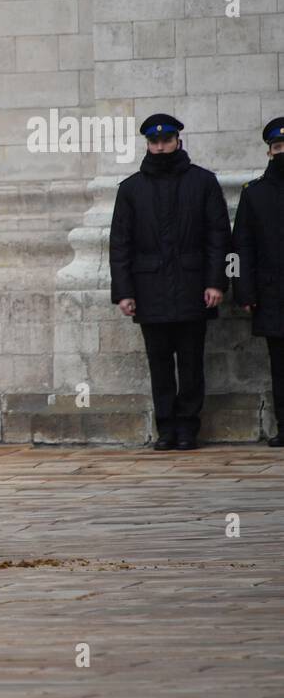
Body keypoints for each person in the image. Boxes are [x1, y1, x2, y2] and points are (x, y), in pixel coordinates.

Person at [109, 114, 230, 450]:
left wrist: (216, 283)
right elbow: (121, 243)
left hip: (193, 288)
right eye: (154, 142)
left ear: (178, 140)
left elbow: (218, 237)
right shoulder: (131, 189)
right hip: (150, 291)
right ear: (147, 144)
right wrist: (124, 292)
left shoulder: (203, 182)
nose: (160, 147)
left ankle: (188, 428)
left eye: (166, 141)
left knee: (191, 362)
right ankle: (166, 428)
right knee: (159, 363)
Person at [231, 117, 284, 447]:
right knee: (280, 367)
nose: (282, 153)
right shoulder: (255, 193)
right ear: (268, 153)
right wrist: (244, 292)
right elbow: (238, 250)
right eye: (278, 148)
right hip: (273, 294)